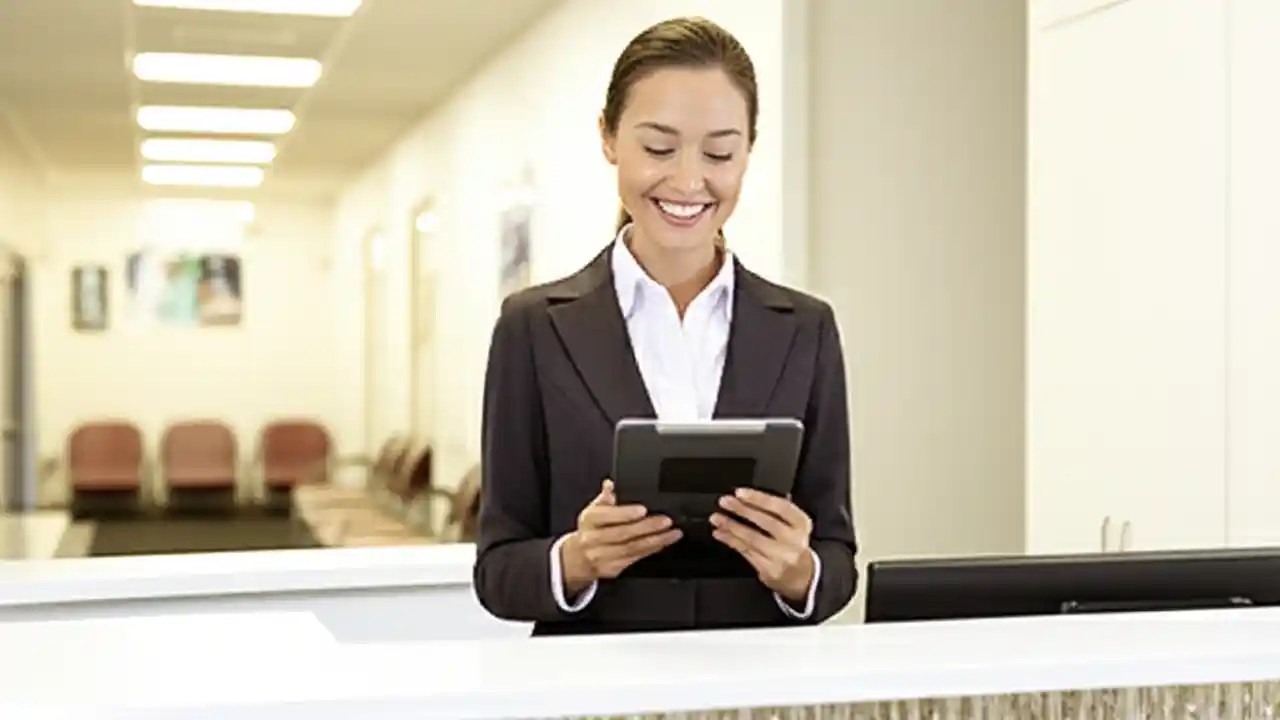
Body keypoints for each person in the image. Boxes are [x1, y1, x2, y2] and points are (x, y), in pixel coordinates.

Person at [473, 16, 857, 636]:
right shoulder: (533, 329)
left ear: (748, 151)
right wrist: (575, 559)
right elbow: (497, 571)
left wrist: (800, 572)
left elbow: (838, 557)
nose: (687, 180)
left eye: (719, 152)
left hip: (758, 689)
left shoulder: (805, 329)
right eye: (657, 148)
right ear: (608, 138)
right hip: (594, 689)